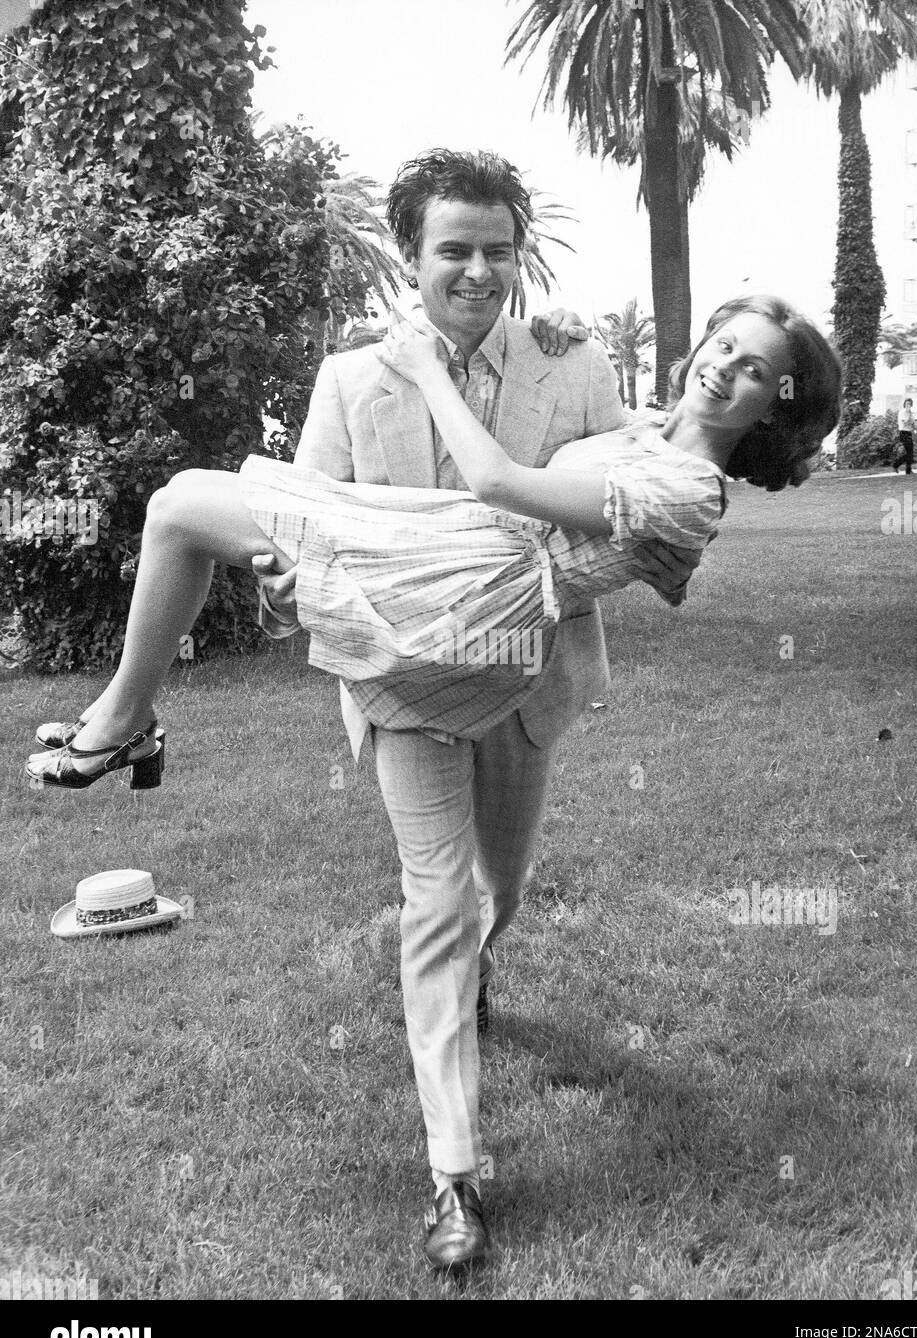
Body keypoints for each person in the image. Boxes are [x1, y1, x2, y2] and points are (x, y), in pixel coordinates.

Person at [27, 284, 842, 1270]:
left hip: (469, 602)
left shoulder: (690, 490)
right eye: (725, 341)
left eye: (755, 366)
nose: (724, 364)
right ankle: (126, 722)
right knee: (182, 506)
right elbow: (582, 425)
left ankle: (463, 961)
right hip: (433, 564)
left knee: (497, 893)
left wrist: (420, 366)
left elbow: (498, 479)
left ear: (778, 399)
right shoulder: (644, 437)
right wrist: (555, 333)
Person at [894, 398, 915, 474]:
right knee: (909, 453)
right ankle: (897, 465)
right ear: (904, 404)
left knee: (910, 453)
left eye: (909, 404)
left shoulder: (911, 413)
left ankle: (907, 470)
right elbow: (905, 423)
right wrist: (909, 416)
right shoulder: (902, 412)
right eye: (907, 404)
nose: (908, 405)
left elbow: (912, 423)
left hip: (909, 432)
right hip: (903, 433)